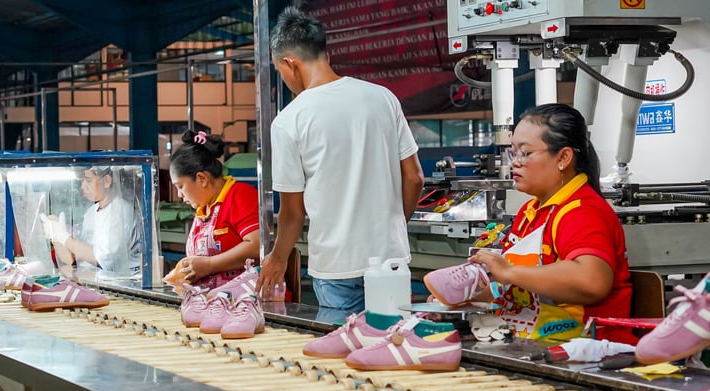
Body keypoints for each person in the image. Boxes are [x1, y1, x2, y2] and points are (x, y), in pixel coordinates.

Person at [256, 7, 424, 313]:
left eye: (280, 71)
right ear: (326, 55)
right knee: (395, 339)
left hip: (336, 268)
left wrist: (277, 258)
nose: (284, 78)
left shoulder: (289, 120)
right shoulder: (383, 97)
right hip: (392, 263)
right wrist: (393, 228)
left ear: (289, 63)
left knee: (344, 343)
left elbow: (293, 211)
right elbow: (414, 178)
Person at [465, 104, 634, 344]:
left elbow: (592, 282)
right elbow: (512, 289)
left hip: (586, 349)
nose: (515, 163)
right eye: (513, 153)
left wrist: (510, 272)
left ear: (563, 158)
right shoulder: (530, 212)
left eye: (525, 153)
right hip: (535, 342)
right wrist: (463, 299)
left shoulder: (582, 211)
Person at [167, 130, 259, 290]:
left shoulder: (240, 196)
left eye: (180, 186)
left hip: (245, 298)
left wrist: (209, 264)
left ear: (202, 179)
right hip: (211, 298)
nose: (179, 195)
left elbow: (257, 246)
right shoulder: (205, 208)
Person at [41, 166, 143, 276]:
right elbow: (76, 258)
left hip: (121, 280)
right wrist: (56, 237)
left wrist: (64, 238)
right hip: (93, 278)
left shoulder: (121, 211)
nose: (83, 186)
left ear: (107, 181)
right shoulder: (91, 212)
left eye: (88, 181)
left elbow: (104, 259)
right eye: (82, 181)